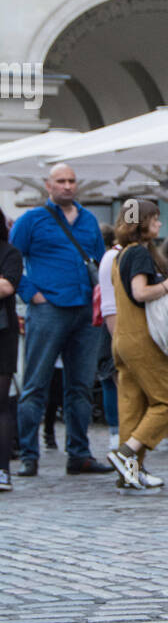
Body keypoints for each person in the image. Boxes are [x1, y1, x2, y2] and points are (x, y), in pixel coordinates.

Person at [10, 162, 111, 477]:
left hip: (84, 311)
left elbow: (99, 259)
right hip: (49, 308)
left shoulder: (89, 219)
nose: (67, 186)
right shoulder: (31, 220)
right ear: (48, 185)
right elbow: (9, 261)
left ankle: (79, 454)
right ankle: (29, 455)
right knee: (35, 385)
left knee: (80, 386)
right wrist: (32, 294)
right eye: (61, 181)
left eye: (71, 181)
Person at [107, 199, 168, 492]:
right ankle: (125, 454)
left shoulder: (120, 254)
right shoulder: (139, 253)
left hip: (122, 339)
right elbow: (140, 292)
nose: (159, 224)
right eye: (155, 218)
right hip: (143, 339)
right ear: (142, 222)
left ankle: (129, 472)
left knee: (132, 407)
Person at [0, 209, 23, 491]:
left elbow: (6, 286)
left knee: (0, 404)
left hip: (2, 335)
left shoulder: (9, 252)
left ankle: (2, 469)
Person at [96, 221, 121, 452]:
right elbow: (111, 306)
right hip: (115, 331)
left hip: (104, 331)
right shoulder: (113, 260)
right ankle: (125, 448)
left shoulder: (107, 259)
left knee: (110, 381)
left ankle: (118, 436)